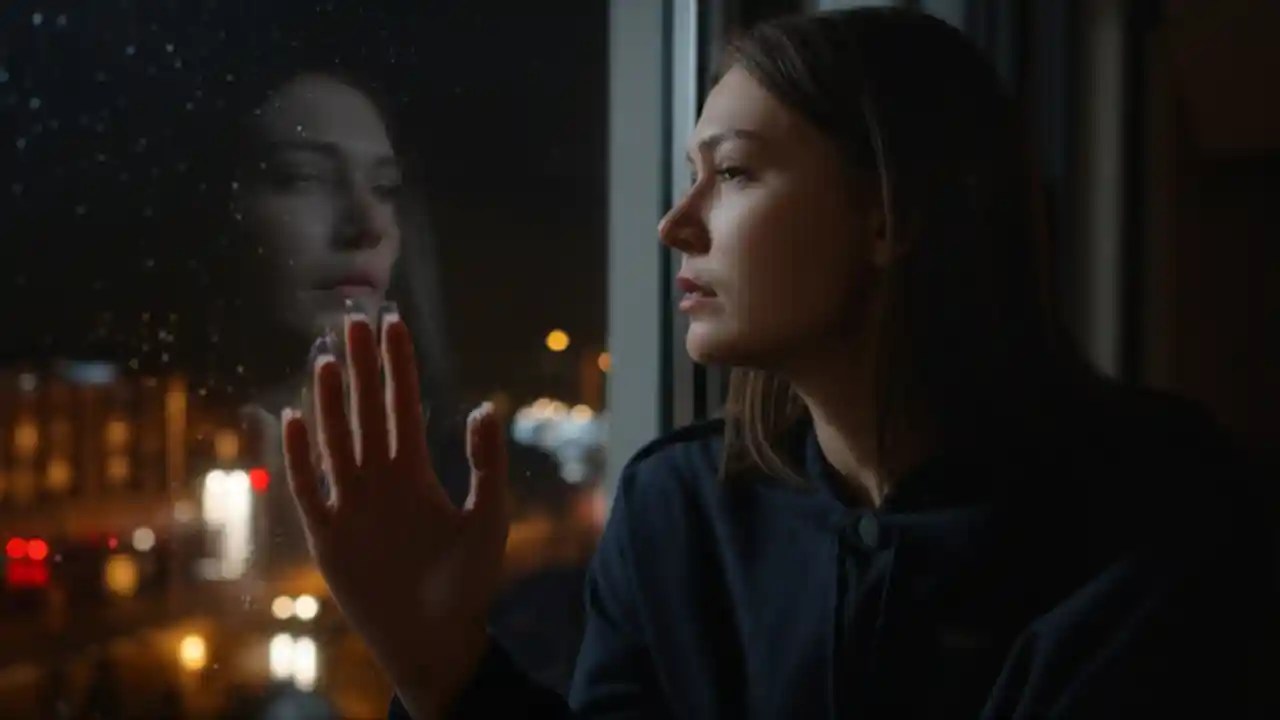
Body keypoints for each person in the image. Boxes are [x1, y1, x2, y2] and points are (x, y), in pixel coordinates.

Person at [281, 8, 1276, 719]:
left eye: (734, 171)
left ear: (889, 213)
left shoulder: (1159, 510)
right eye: (690, 177)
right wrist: (438, 659)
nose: (676, 225)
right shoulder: (679, 514)